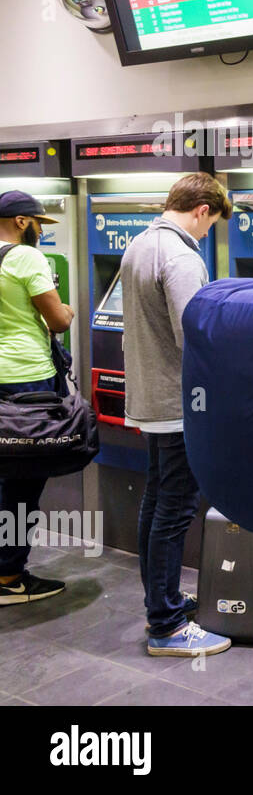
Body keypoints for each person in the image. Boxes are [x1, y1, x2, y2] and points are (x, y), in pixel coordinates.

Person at [121, 172, 233, 656]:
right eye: (210, 225)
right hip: (179, 404)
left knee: (157, 501)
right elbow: (196, 338)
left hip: (149, 397)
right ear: (202, 210)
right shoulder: (182, 256)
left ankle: (159, 598)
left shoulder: (138, 245)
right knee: (175, 507)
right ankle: (165, 625)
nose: (207, 234)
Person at [0, 191, 75, 605]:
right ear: (23, 221)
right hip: (26, 381)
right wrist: (68, 310)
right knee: (24, 480)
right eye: (40, 225)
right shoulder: (26, 259)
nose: (43, 234)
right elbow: (58, 320)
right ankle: (9, 575)